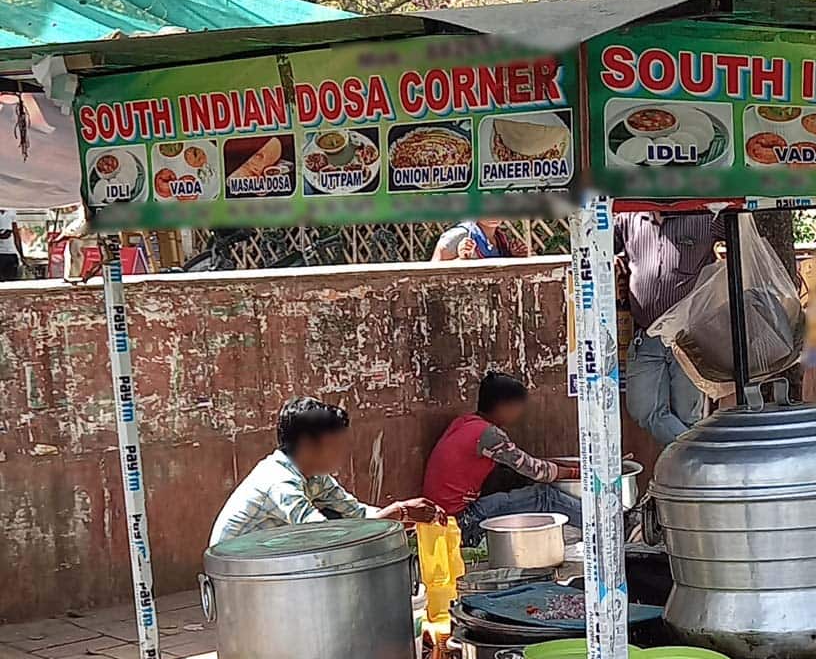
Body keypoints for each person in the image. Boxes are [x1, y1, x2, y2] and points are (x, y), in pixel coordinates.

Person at [210, 398, 445, 545]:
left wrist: (410, 517)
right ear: (308, 446)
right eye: (336, 446)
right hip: (235, 578)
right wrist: (398, 513)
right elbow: (323, 536)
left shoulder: (316, 476)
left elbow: (357, 514)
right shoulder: (278, 482)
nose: (343, 452)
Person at [422, 372, 582, 547]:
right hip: (461, 522)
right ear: (505, 406)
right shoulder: (488, 435)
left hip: (442, 520)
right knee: (544, 496)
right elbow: (537, 471)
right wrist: (575, 472)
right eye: (519, 406)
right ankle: (601, 523)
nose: (521, 412)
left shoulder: (464, 423)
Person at [615, 211, 721, 445]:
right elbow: (598, 242)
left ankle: (690, 472)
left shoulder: (704, 217)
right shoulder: (629, 219)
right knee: (644, 411)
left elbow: (740, 229)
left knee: (688, 416)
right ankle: (700, 455)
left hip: (688, 338)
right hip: (647, 334)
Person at [431, 219, 529, 262]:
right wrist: (460, 260)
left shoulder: (501, 239)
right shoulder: (458, 236)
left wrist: (514, 255)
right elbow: (432, 273)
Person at [0, 210, 23, 282]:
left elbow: (16, 234)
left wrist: (21, 254)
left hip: (11, 253)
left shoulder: (12, 211)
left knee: (10, 280)